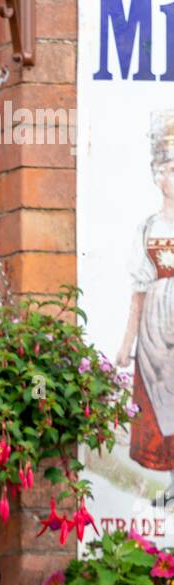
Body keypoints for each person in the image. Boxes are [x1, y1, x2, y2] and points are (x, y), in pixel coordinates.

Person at [117, 113, 174, 470]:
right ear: (158, 176)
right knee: (158, 395)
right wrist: (126, 343)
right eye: (168, 170)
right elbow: (138, 289)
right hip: (155, 324)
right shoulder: (148, 227)